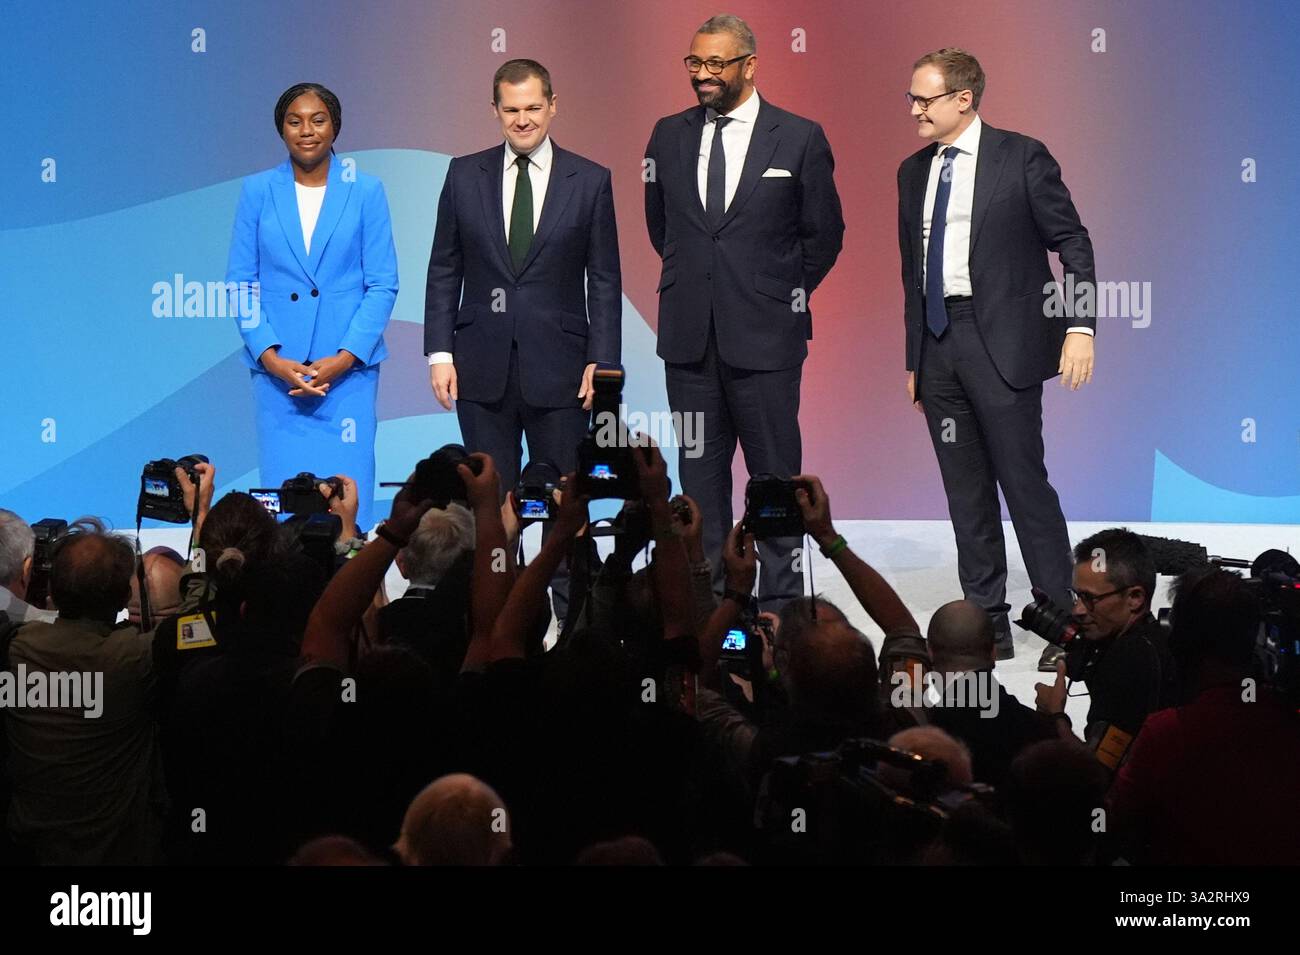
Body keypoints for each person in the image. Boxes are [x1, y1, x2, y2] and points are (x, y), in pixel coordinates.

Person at [896, 48, 1095, 660]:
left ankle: (1064, 625)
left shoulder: (1022, 156)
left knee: (1025, 484)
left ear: (964, 99)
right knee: (965, 493)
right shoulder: (911, 171)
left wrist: (1081, 327)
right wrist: (914, 359)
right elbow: (912, 271)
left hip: (1002, 345)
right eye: (911, 98)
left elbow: (1074, 242)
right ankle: (987, 626)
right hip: (939, 346)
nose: (914, 110)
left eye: (925, 99)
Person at [644, 14, 844, 610]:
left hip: (767, 342)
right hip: (688, 344)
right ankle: (712, 610)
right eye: (694, 63)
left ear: (749, 65)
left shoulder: (800, 137)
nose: (703, 75)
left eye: (716, 64)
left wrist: (771, 292)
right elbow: (666, 230)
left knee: (776, 483)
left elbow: (824, 235)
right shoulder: (666, 135)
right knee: (699, 483)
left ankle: (783, 613)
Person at [425, 58, 620, 623]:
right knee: (493, 515)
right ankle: (497, 638)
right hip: (481, 367)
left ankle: (574, 641)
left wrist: (602, 361)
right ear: (495, 111)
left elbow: (604, 278)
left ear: (553, 105)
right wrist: (440, 350)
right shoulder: (464, 174)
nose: (523, 120)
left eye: (533, 107)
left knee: (563, 514)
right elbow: (444, 267)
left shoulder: (591, 179)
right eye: (511, 110)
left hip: (562, 372)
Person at [226, 82, 398, 531]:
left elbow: (383, 285)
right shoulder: (257, 191)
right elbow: (240, 284)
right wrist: (272, 359)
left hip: (348, 379)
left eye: (318, 120)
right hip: (278, 381)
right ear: (281, 129)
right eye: (295, 121)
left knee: (347, 513)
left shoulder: (366, 191)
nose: (307, 130)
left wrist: (343, 360)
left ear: (335, 127)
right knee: (285, 513)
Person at [1107, 566, 1300, 864]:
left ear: (1179, 642)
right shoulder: (1285, 718)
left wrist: (1056, 720)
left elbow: (1114, 823)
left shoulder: (1166, 734)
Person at [4, 519, 163, 864]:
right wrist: (200, 523)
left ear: (53, 590)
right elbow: (202, 619)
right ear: (125, 596)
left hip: (31, 851)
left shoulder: (16, 648)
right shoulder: (134, 658)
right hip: (120, 856)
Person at [1033, 529, 1178, 764]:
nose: (1077, 610)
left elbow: (1098, 774)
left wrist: (1055, 716)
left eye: (1090, 599)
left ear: (1135, 597)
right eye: (1076, 596)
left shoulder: (1128, 664)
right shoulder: (1149, 638)